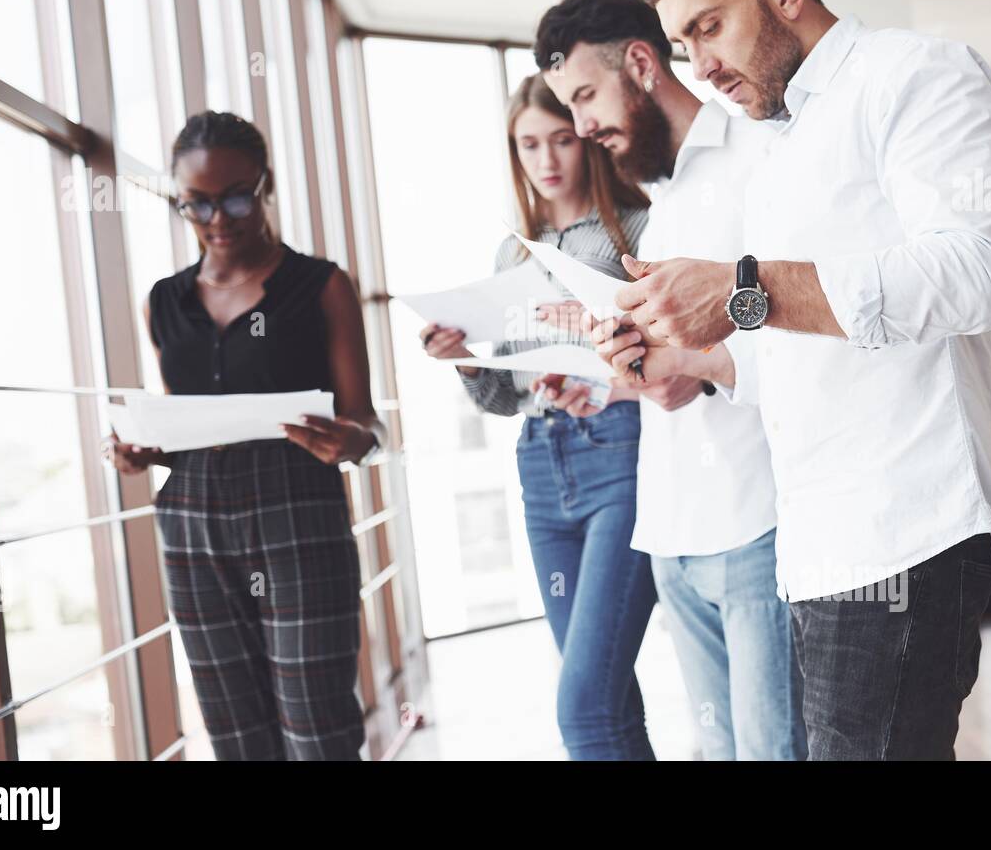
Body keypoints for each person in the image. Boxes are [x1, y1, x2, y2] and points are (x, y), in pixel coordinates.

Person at [607, 0, 991, 759]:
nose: (701, 66)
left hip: (907, 529)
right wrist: (683, 357)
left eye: (710, 27)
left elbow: (975, 274)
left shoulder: (917, 73)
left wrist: (746, 289)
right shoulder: (774, 146)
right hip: (820, 546)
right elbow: (787, 358)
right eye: (683, 44)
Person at [534, 0, 805, 760]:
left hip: (758, 523)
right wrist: (611, 367)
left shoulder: (763, 157)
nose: (582, 126)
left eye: (586, 95)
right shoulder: (657, 196)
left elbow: (807, 327)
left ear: (643, 63)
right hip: (672, 525)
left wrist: (694, 364)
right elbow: (674, 360)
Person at [108, 111, 384, 760]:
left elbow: (365, 422)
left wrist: (351, 442)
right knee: (237, 734)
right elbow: (184, 420)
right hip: (192, 522)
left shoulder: (320, 285)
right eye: (196, 203)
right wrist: (139, 450)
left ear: (264, 185)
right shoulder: (163, 301)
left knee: (318, 728)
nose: (219, 218)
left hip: (299, 513)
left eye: (236, 196)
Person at [419, 74, 665, 760]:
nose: (547, 160)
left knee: (582, 704)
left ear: (587, 139)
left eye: (561, 139)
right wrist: (468, 359)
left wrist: (594, 336)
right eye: (529, 144)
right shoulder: (514, 251)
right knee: (610, 705)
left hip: (622, 453)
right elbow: (506, 397)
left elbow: (678, 354)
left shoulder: (641, 227)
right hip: (540, 462)